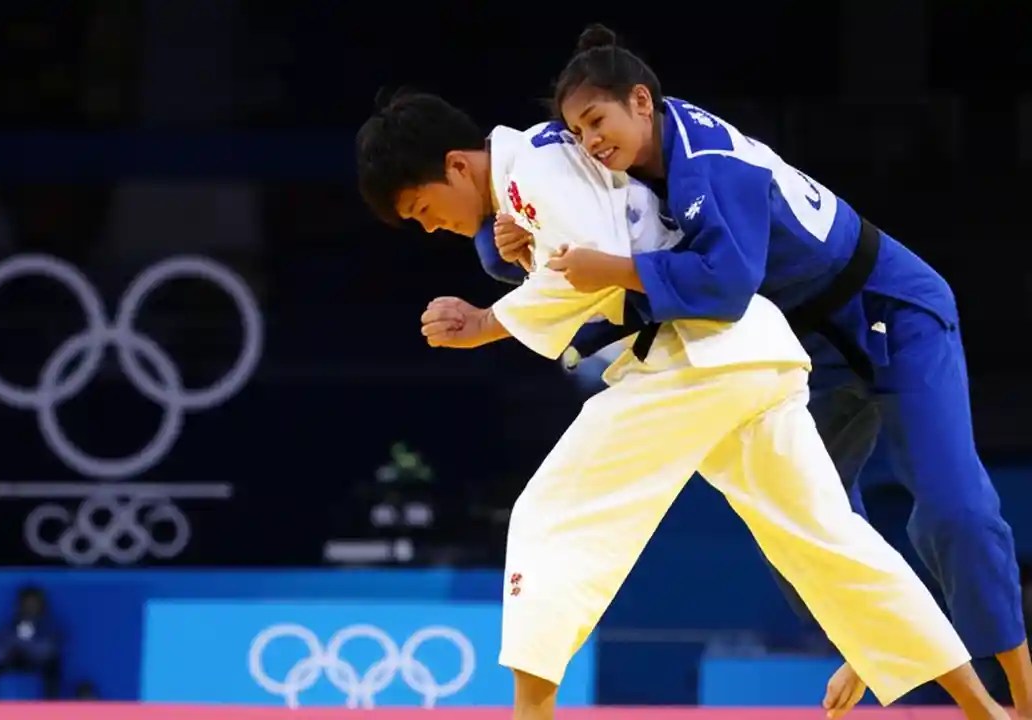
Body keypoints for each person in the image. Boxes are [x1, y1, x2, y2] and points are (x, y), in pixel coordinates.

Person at [355, 89, 1006, 720]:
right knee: (830, 546)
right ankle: (985, 712)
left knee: (550, 515)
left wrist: (486, 321)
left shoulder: (534, 169)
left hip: (698, 358)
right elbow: (594, 253)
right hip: (749, 353)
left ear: (458, 165)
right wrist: (522, 265)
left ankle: (531, 715)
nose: (430, 225)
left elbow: (585, 272)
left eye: (421, 208)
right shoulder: (541, 169)